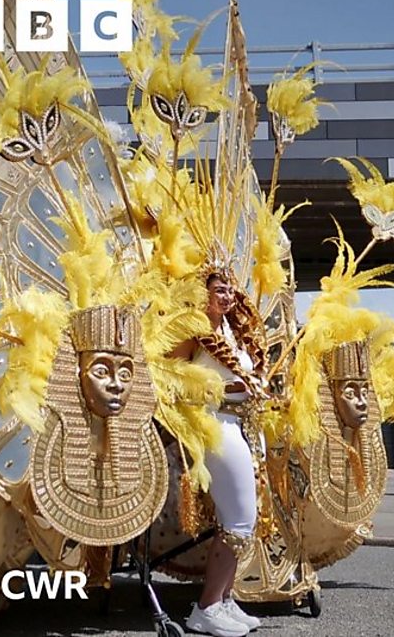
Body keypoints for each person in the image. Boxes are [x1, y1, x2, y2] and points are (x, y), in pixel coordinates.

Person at [169, 273, 265, 637]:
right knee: (240, 520)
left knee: (238, 520)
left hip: (243, 424)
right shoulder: (191, 328)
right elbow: (171, 379)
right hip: (214, 424)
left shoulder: (232, 331)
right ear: (202, 293)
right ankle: (206, 608)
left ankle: (224, 599)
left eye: (230, 289)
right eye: (218, 289)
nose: (227, 295)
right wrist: (223, 387)